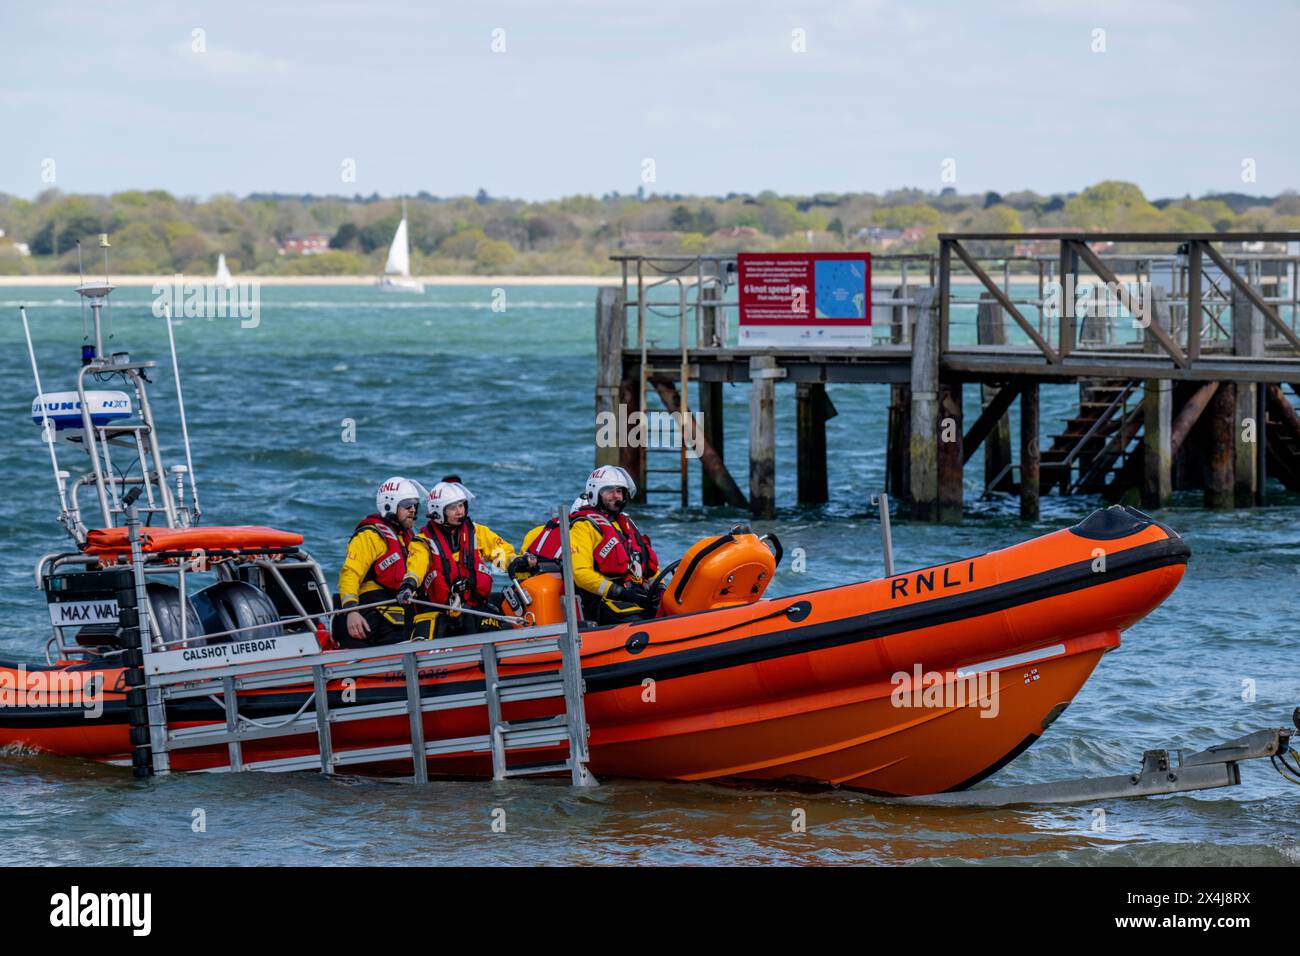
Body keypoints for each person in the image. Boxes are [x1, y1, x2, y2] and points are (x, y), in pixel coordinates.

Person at [522, 466, 660, 625]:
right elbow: (580, 573)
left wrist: (660, 587)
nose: (616, 495)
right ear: (595, 493)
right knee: (638, 620)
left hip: (636, 596)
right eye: (609, 490)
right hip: (604, 602)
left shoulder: (626, 525)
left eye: (620, 491)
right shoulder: (584, 526)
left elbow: (649, 566)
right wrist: (618, 591)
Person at [407, 476, 536, 639]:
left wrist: (518, 563)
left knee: (490, 626)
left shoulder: (476, 532)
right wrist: (409, 583)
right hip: (441, 611)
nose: (459, 511)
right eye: (453, 507)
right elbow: (416, 567)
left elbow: (500, 553)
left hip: (474, 607)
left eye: (461, 505)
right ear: (438, 511)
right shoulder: (423, 541)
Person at [336, 476, 422, 648]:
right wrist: (352, 611)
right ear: (389, 505)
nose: (413, 510)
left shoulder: (408, 538)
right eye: (407, 505)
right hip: (375, 610)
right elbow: (350, 573)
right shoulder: (369, 536)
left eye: (415, 505)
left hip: (401, 606)